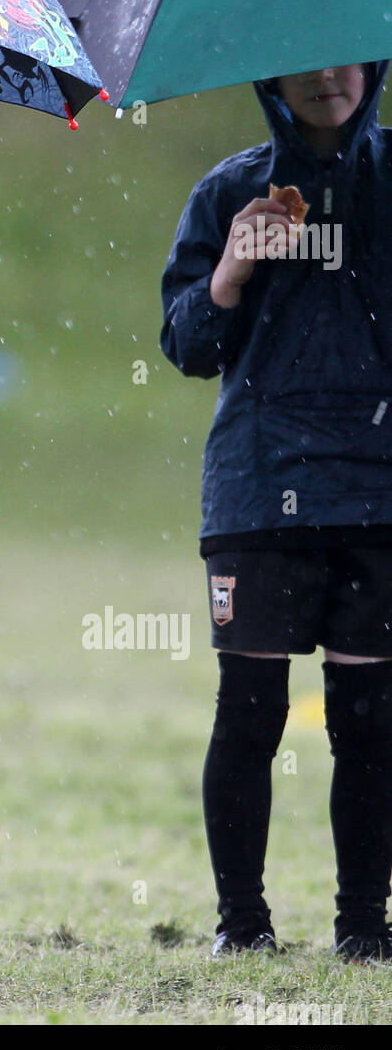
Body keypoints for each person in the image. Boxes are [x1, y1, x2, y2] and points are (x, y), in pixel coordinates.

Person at [161, 62, 392, 962]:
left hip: (378, 491)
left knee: (369, 720)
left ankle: (364, 931)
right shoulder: (229, 191)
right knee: (249, 714)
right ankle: (242, 927)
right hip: (260, 488)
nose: (328, 78)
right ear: (269, 75)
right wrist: (229, 272)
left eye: (348, 57)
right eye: (306, 61)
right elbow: (185, 343)